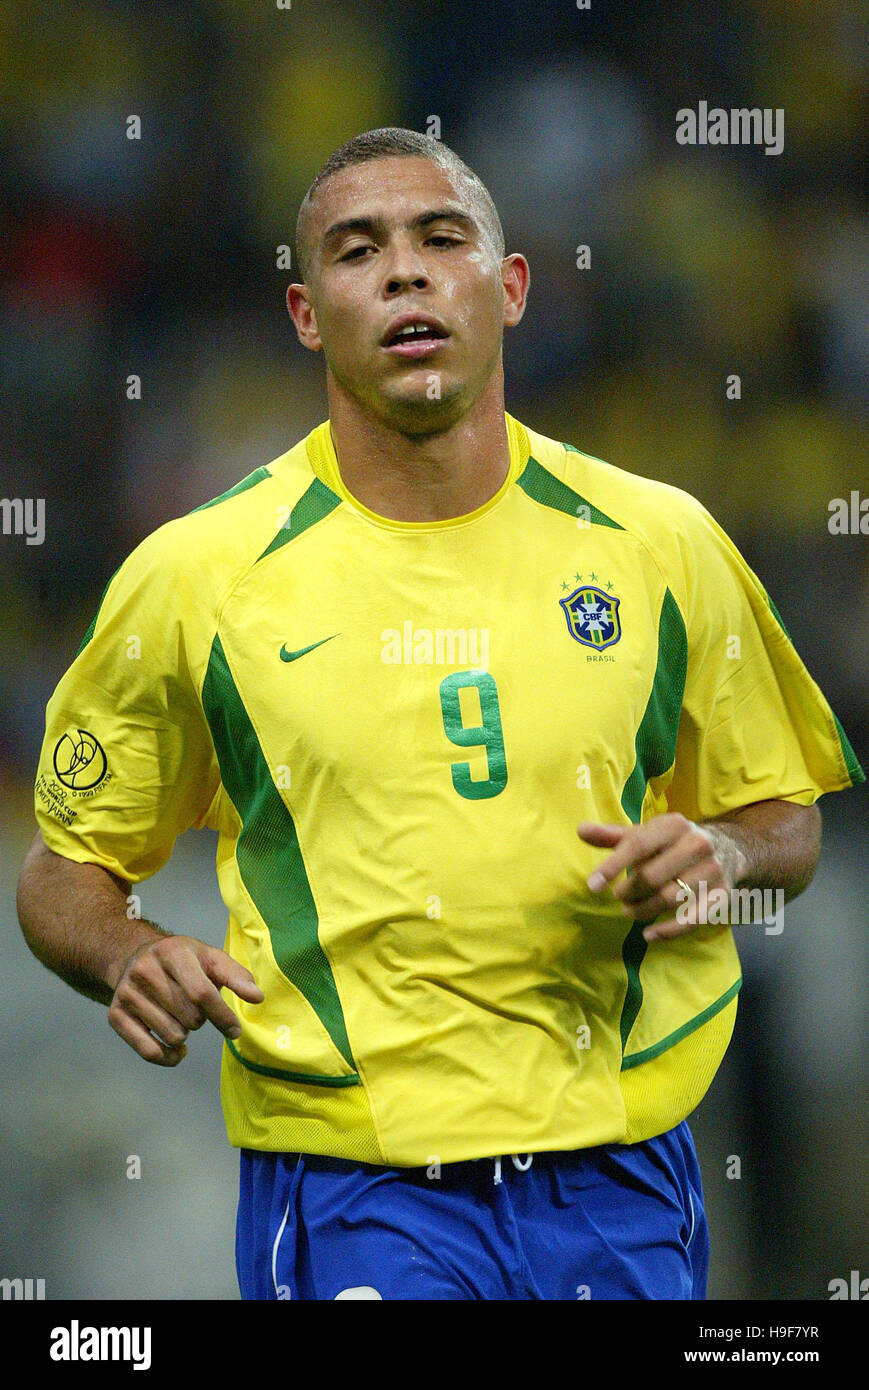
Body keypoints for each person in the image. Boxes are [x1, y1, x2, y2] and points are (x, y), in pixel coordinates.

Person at [17, 127, 864, 1302]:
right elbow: (65, 876)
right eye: (357, 251)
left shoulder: (657, 543)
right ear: (307, 315)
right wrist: (135, 955)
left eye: (441, 238)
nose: (406, 273)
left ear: (508, 289)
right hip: (356, 1183)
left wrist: (719, 852)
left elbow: (786, 822)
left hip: (615, 1176)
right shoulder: (198, 576)